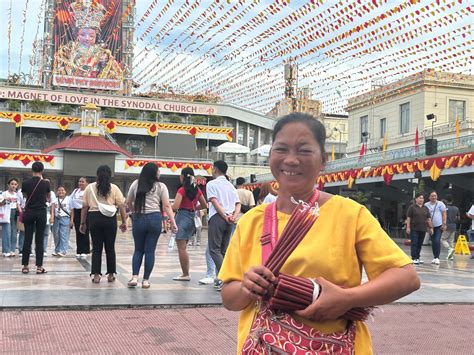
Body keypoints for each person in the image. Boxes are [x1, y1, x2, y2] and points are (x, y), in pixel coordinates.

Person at [219, 113, 420, 353]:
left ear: (323, 160)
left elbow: (407, 278)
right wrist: (246, 288)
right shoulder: (251, 221)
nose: (291, 160)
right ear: (271, 155)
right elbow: (229, 298)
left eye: (304, 151)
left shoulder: (349, 214)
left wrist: (349, 299)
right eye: (281, 149)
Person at [126, 163, 177, 288]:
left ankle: (134, 277)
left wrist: (134, 211)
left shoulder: (135, 184)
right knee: (150, 251)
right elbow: (166, 205)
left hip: (139, 218)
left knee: (138, 249)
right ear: (154, 173)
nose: (159, 173)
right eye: (158, 171)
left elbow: (127, 202)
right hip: (154, 219)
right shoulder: (161, 186)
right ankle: (146, 280)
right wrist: (173, 222)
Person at [80, 165, 127, 283]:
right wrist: (124, 221)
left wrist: (82, 223)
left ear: (97, 175)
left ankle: (96, 275)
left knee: (96, 248)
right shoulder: (114, 188)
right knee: (110, 247)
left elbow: (84, 207)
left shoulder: (89, 188)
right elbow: (121, 205)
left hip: (94, 218)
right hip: (110, 219)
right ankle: (111, 274)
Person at [53, 0, 123, 80]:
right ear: (77, 35)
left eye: (91, 36)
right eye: (83, 35)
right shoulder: (67, 50)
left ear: (96, 36)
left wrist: (104, 65)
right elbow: (56, 71)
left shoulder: (103, 53)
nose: (87, 38)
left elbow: (117, 76)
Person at [206, 160, 241, 291]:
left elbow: (214, 201)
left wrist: (224, 215)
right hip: (230, 220)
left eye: (212, 168)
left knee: (214, 249)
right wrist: (233, 216)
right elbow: (238, 204)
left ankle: (225, 278)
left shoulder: (211, 184)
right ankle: (219, 280)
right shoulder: (231, 186)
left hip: (218, 218)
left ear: (215, 169)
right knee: (223, 250)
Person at [171, 167, 207, 282]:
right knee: (184, 247)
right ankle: (185, 273)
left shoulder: (182, 190)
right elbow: (204, 204)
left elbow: (176, 206)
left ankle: (185, 274)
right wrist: (194, 207)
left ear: (182, 177)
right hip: (192, 218)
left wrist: (167, 207)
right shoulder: (197, 190)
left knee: (182, 248)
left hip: (182, 217)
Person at [21, 162, 51, 274]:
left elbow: (25, 195)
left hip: (29, 212)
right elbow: (48, 197)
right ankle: (39, 266)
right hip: (41, 212)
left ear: (31, 170)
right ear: (42, 171)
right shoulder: (45, 183)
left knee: (27, 239)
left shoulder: (25, 183)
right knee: (39, 239)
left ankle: (25, 265)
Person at [406, 193, 432, 264]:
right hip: (414, 228)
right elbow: (409, 218)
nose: (421, 199)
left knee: (420, 243)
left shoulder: (425, 208)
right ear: (416, 199)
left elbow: (428, 218)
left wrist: (430, 227)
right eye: (420, 198)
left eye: (422, 198)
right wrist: (408, 227)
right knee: (414, 243)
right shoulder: (412, 207)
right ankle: (414, 258)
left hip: (423, 228)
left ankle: (417, 257)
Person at [424, 191, 447, 265]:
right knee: (433, 241)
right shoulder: (426, 205)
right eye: (432, 196)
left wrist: (444, 224)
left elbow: (444, 214)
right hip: (430, 226)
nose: (434, 197)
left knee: (437, 240)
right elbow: (425, 216)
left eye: (435, 196)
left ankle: (437, 257)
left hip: (439, 226)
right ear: (429, 197)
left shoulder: (440, 204)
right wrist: (428, 226)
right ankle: (435, 257)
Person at [70, 177, 90, 258]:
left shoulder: (88, 191)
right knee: (78, 231)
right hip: (77, 212)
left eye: (82, 181)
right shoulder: (75, 191)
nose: (80, 183)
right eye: (79, 181)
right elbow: (71, 200)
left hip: (86, 211)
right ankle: (79, 250)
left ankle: (85, 250)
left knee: (85, 231)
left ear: (87, 183)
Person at [1, 178, 21, 257]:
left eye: (15, 184)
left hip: (14, 213)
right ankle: (6, 250)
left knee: (14, 233)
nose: (13, 185)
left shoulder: (17, 194)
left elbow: (18, 204)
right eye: (12, 184)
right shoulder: (4, 193)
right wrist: (5, 200)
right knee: (6, 232)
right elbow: (1, 204)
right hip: (6, 213)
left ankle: (12, 250)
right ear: (8, 185)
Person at [52, 186, 73, 257]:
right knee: (56, 235)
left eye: (62, 190)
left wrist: (72, 220)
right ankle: (57, 250)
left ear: (65, 191)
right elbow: (53, 209)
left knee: (63, 234)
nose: (61, 192)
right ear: (57, 192)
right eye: (59, 190)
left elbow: (72, 210)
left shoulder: (69, 199)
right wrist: (52, 217)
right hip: (56, 218)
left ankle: (63, 250)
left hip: (65, 218)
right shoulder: (55, 199)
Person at [442, 196, 460, 261]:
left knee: (442, 239)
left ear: (446, 201)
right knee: (451, 241)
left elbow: (443, 216)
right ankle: (450, 256)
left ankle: (450, 249)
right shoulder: (456, 208)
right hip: (454, 226)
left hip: (446, 226)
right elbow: (458, 218)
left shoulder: (445, 208)